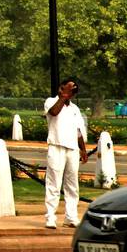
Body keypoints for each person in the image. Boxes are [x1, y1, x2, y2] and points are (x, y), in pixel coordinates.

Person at [43, 77, 88, 230]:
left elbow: (78, 132)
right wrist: (64, 96)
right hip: (56, 146)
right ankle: (50, 217)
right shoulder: (51, 101)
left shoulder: (75, 109)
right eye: (68, 89)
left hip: (73, 149)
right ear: (60, 89)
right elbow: (54, 112)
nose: (71, 93)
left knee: (72, 185)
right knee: (53, 183)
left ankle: (71, 217)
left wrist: (83, 149)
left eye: (73, 91)